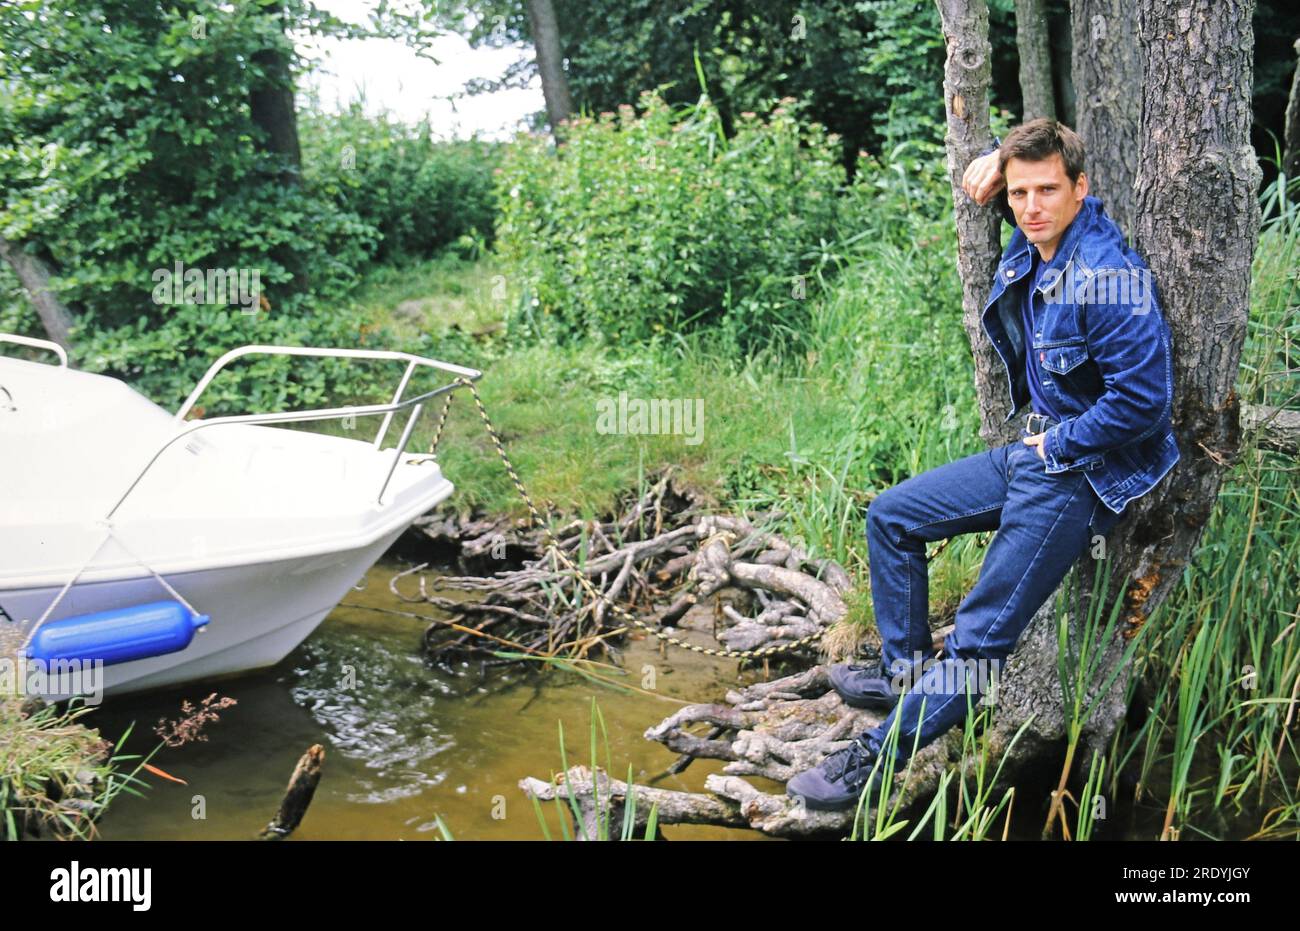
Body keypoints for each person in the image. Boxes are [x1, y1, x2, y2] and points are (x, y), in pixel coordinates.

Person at [786, 118, 1181, 812]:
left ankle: (872, 762)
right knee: (892, 517)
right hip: (1035, 445)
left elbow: (1145, 404)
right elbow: (1017, 173)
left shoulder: (1107, 277)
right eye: (1019, 193)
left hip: (1076, 468)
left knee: (977, 643)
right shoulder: (1038, 238)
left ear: (1082, 190)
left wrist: (1057, 447)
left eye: (1048, 191)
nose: (1031, 206)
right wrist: (988, 159)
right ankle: (905, 674)